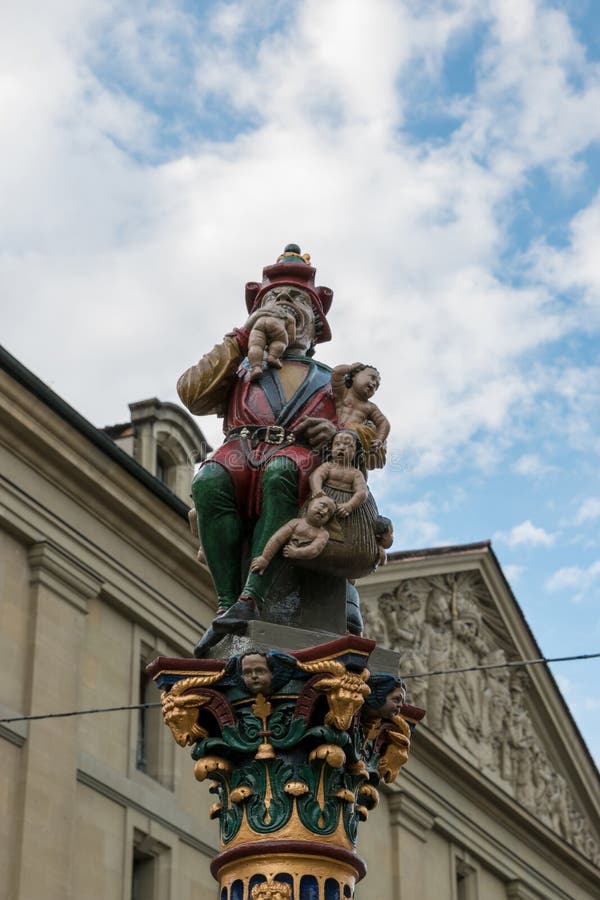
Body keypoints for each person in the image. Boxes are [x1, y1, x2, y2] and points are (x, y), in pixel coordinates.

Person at [178, 246, 378, 652]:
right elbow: (191, 393)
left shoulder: (332, 380)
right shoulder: (237, 365)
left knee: (282, 472)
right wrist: (240, 335)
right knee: (210, 479)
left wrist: (343, 434)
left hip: (296, 454)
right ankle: (227, 606)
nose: (285, 304)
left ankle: (253, 595)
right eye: (274, 299)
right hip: (241, 447)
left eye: (299, 300)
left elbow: (370, 437)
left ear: (316, 326)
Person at [250, 494, 336, 575]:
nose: (325, 511)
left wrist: (296, 552)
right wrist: (265, 558)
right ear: (309, 504)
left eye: (329, 513)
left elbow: (314, 550)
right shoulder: (295, 523)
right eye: (322, 505)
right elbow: (277, 538)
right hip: (284, 561)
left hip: (304, 569)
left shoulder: (323, 534)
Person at [331, 363, 390, 466]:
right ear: (354, 376)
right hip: (334, 433)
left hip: (354, 440)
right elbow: (336, 373)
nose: (373, 384)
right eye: (372, 378)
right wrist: (350, 368)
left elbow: (383, 423)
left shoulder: (370, 407)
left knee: (358, 461)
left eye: (376, 386)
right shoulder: (343, 392)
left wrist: (379, 440)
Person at [309, 429, 368, 518]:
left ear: (356, 452)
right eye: (337, 444)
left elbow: (362, 492)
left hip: (345, 507)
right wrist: (316, 489)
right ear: (331, 448)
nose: (342, 448)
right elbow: (316, 476)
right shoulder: (328, 466)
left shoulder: (356, 473)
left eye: (348, 445)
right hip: (323, 500)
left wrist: (350, 505)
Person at [246, 309, 296, 381]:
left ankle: (256, 367)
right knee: (280, 341)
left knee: (255, 346)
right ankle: (272, 357)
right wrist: (284, 344)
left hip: (259, 322)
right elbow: (291, 336)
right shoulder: (290, 317)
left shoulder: (266, 310)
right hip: (276, 324)